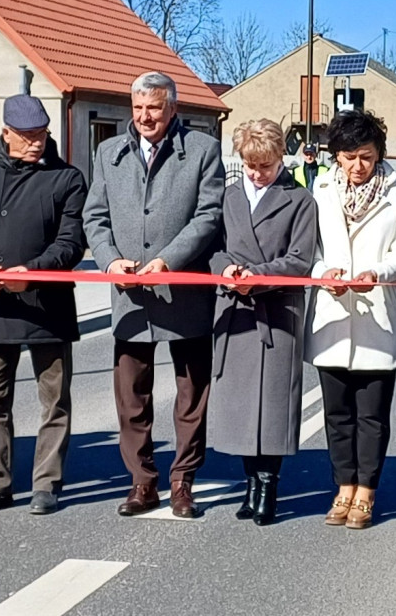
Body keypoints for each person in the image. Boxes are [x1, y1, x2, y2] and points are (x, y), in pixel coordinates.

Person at [84, 71, 226, 518]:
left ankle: (183, 481)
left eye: (155, 108)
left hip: (183, 292)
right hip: (130, 296)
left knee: (191, 396)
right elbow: (95, 216)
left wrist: (169, 259)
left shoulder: (203, 151)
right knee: (131, 398)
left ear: (172, 109)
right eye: (139, 108)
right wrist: (108, 261)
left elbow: (209, 215)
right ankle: (142, 482)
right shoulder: (109, 153)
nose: (145, 117)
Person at [0, 95, 87, 517]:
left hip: (47, 307)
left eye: (41, 134)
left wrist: (35, 270)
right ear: (5, 132)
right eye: (26, 136)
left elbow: (71, 242)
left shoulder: (68, 179)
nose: (35, 143)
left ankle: (47, 483)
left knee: (54, 401)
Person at [307, 109, 396, 531]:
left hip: (378, 314)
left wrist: (379, 273)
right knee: (337, 414)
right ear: (336, 156)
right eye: (348, 156)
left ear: (379, 154)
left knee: (371, 413)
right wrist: (322, 274)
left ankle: (367, 491)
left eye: (366, 156)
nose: (357, 166)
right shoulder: (321, 189)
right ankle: (343, 487)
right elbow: (309, 248)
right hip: (333, 314)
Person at [209, 119, 320, 526]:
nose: (258, 173)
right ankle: (249, 484)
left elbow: (299, 259)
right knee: (240, 404)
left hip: (276, 312)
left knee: (271, 404)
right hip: (233, 311)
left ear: (280, 160)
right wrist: (227, 271)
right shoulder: (229, 196)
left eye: (266, 166)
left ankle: (269, 486)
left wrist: (255, 278)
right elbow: (214, 247)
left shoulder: (300, 200)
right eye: (251, 165)